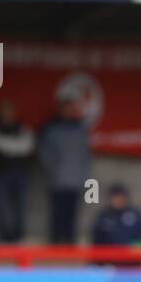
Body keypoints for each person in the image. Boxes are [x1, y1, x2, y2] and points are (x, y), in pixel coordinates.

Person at [39, 95, 91, 244]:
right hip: (57, 179)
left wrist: (84, 176)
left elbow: (85, 154)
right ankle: (56, 243)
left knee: (72, 214)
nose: (69, 112)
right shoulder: (52, 128)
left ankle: (70, 242)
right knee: (57, 213)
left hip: (75, 180)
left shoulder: (80, 128)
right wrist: (52, 172)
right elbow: (45, 153)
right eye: (66, 109)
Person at [0, 100, 35, 242]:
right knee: (2, 207)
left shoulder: (22, 128)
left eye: (10, 112)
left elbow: (27, 145)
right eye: (5, 112)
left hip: (19, 173)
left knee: (19, 206)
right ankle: (3, 238)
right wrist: (15, 147)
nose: (8, 115)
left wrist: (7, 147)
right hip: (1, 172)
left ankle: (17, 238)